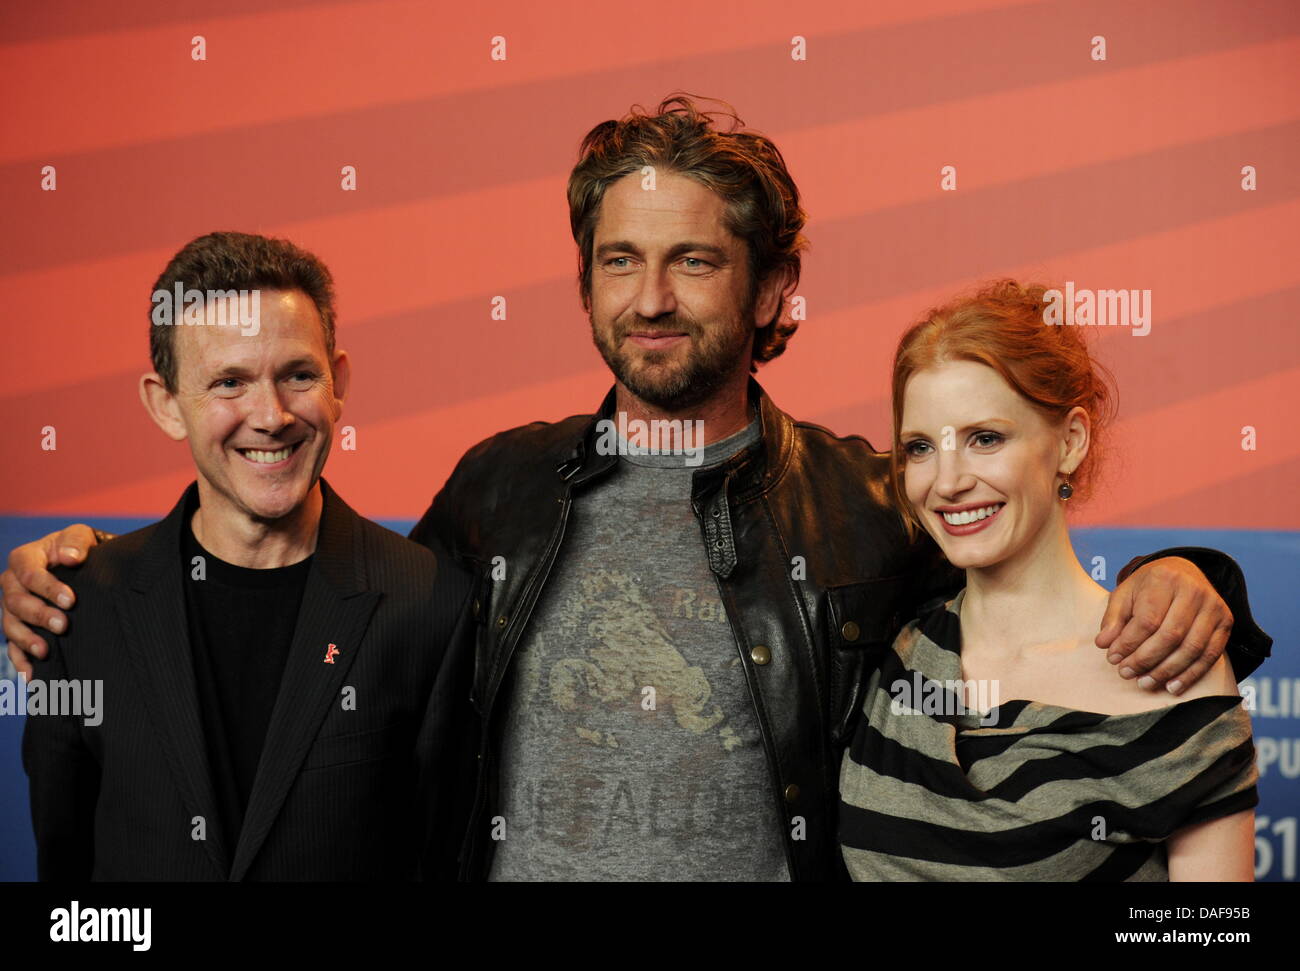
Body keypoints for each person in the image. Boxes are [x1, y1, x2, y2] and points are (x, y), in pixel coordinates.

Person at [4, 98, 1272, 882]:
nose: (649, 296)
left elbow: (1028, 578)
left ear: (771, 290)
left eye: (692, 261)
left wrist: (1198, 579)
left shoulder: (864, 504)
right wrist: (83, 574)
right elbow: (312, 596)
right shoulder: (499, 488)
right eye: (618, 258)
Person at [21, 232, 474, 880]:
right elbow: (65, 876)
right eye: (229, 381)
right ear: (167, 404)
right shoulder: (78, 606)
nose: (271, 415)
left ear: (338, 381)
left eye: (298, 375)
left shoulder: (429, 603)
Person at [839, 281, 1258, 880]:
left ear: (1070, 442)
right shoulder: (896, 648)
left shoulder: (1167, 666)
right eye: (921, 447)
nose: (948, 480)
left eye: (986, 438)